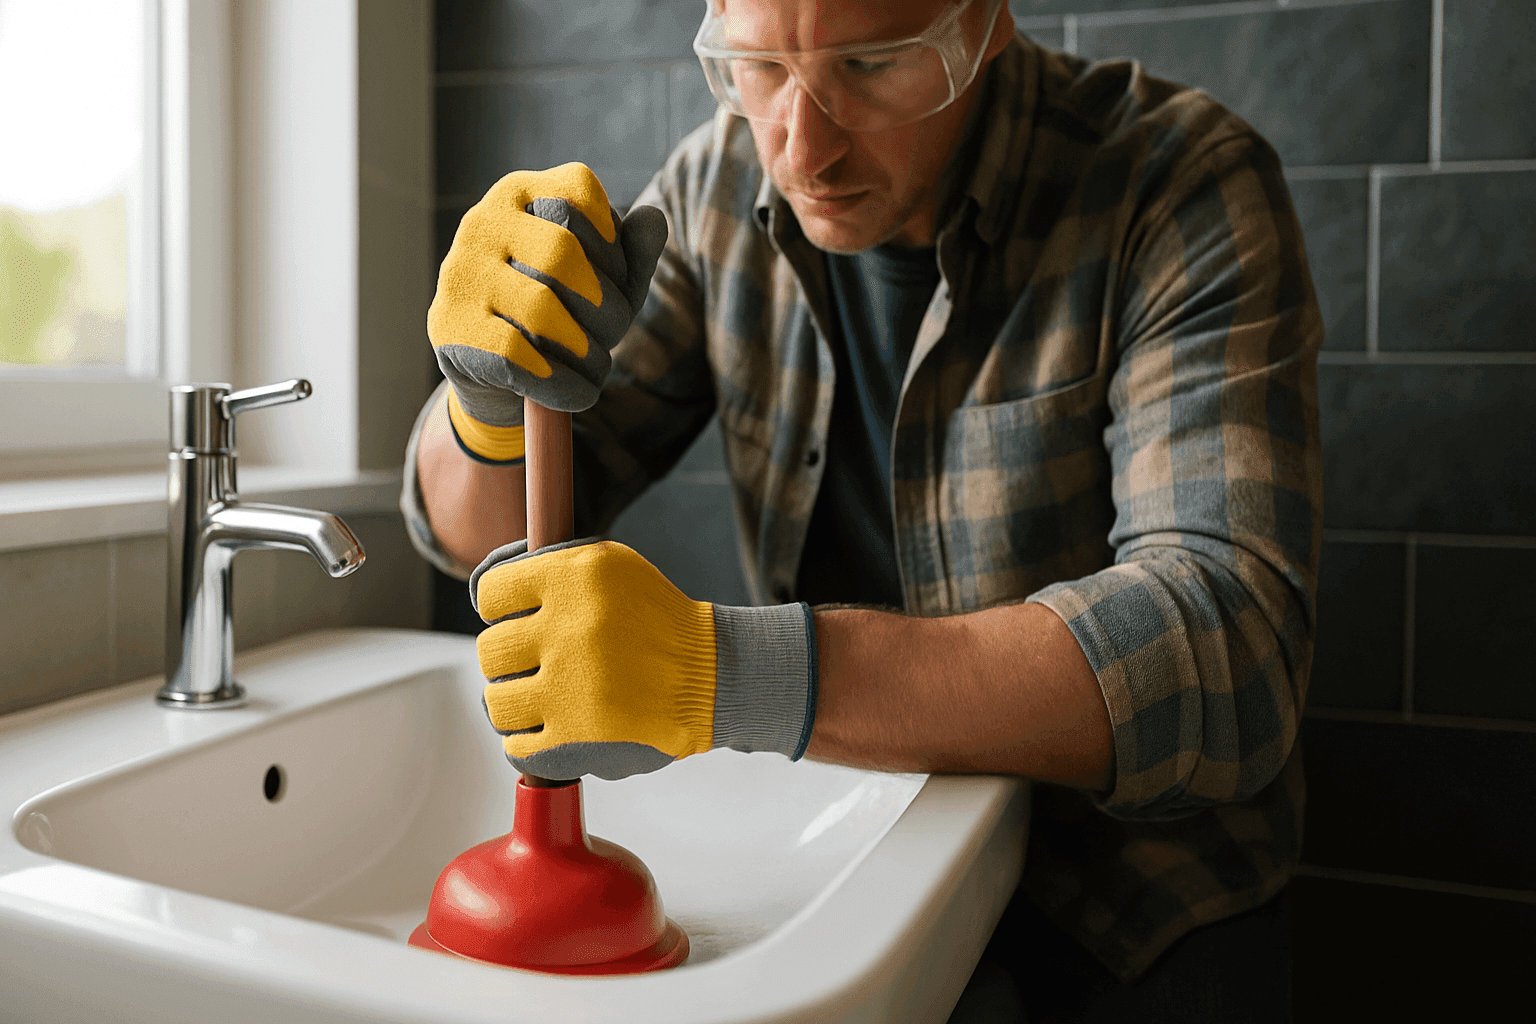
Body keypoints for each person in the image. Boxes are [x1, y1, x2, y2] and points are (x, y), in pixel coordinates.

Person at [403, 0, 1323, 1019]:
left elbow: (1231, 656)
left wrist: (721, 673)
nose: (802, 148)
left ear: (986, 22)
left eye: (874, 65)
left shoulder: (1176, 179)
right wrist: (486, 406)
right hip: (864, 858)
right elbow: (469, 536)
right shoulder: (719, 189)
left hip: (1138, 908)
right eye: (756, 68)